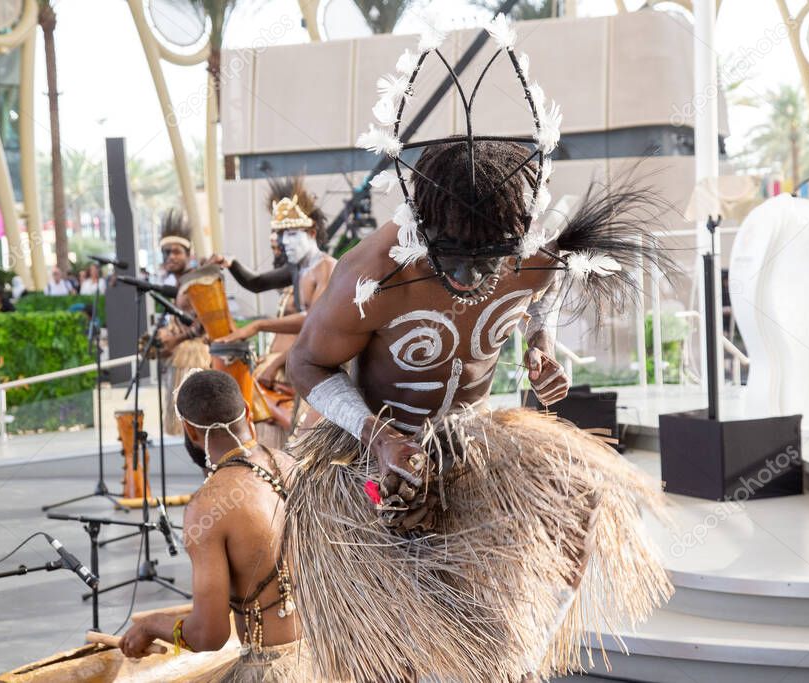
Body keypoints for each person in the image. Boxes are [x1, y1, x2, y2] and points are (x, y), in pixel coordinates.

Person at [283, 19, 673, 683]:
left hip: (476, 442)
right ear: (421, 231)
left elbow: (540, 297)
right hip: (376, 452)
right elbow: (304, 364)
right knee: (396, 646)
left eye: (484, 258)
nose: (467, 276)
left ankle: (516, 663)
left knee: (578, 503)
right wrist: (375, 434)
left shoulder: (529, 262)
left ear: (514, 239)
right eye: (452, 257)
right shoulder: (374, 277)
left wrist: (541, 348)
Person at [119, 369, 310, 681]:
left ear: (190, 430)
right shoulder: (291, 466)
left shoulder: (206, 508)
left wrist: (151, 624)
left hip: (271, 671)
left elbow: (209, 634)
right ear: (247, 412)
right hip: (324, 654)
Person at [210, 177, 336, 447]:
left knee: (310, 439)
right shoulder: (297, 269)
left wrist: (257, 327)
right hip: (303, 357)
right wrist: (231, 263)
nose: (285, 242)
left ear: (312, 233)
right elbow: (256, 283)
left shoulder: (326, 268)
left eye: (292, 234)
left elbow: (315, 321)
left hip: (327, 361)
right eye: (282, 235)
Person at [153, 209, 209, 435]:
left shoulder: (196, 280)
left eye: (176, 251)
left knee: (195, 423)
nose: (171, 256)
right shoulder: (179, 284)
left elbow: (203, 324)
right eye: (166, 252)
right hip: (180, 357)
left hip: (195, 357)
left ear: (189, 254)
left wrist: (174, 340)